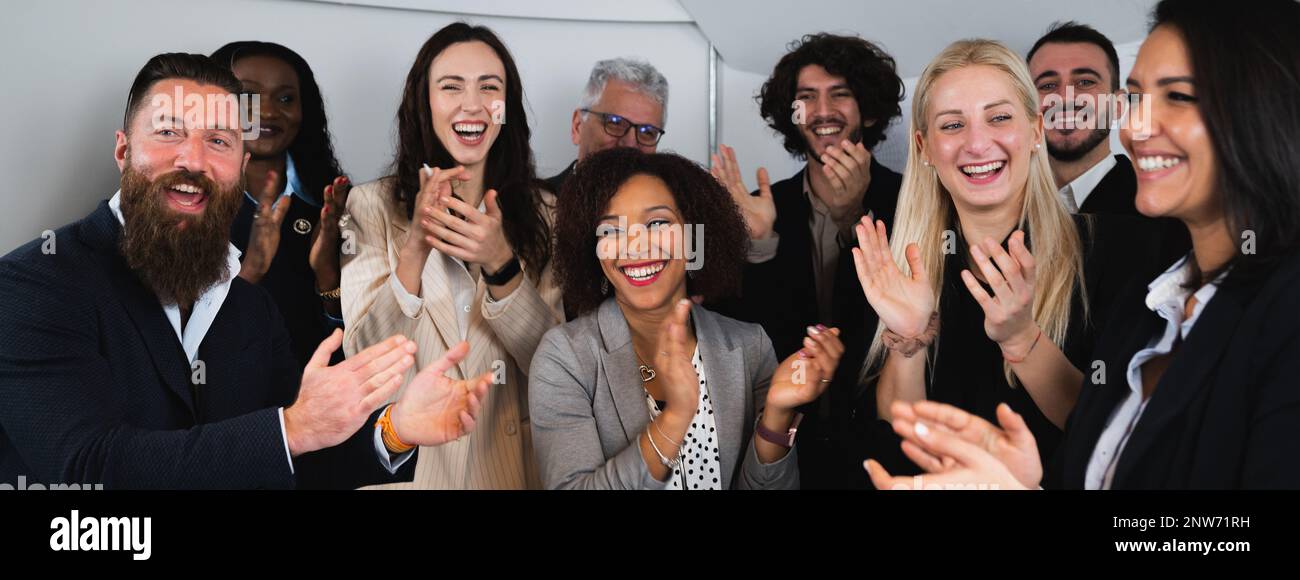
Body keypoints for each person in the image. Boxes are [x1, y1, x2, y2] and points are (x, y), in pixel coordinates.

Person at [0, 53, 492, 489]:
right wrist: (292, 428)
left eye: (218, 140)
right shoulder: (33, 284)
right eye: (169, 132)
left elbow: (303, 455)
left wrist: (395, 428)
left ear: (241, 164)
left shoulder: (249, 305)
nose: (192, 160)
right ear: (124, 150)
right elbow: (89, 468)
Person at [866, 0, 1300, 490]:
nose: (1133, 129)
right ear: (923, 147)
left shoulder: (1148, 261)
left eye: (1177, 96)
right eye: (1136, 100)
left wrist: (1020, 340)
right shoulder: (1161, 299)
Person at [851, 38, 1181, 479]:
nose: (977, 143)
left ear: (1035, 132)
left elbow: (1113, 436)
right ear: (924, 147)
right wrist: (909, 342)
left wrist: (1021, 339)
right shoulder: (901, 269)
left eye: (999, 118)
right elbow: (903, 440)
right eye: (952, 125)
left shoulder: (1124, 248)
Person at [531, 148, 844, 489]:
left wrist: (776, 416)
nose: (636, 246)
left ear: (695, 237)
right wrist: (675, 418)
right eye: (612, 231)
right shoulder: (564, 357)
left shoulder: (749, 346)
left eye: (657, 223)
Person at [342, 22, 562, 489]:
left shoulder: (546, 213)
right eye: (451, 87)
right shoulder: (368, 205)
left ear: (508, 106)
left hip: (509, 471)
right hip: (414, 473)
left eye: (490, 87)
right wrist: (416, 246)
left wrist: (502, 266)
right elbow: (363, 354)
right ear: (424, 102)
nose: (472, 104)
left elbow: (556, 368)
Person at [708, 33, 905, 488]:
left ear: (869, 110)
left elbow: (900, 330)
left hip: (884, 454)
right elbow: (735, 339)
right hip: (784, 452)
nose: (821, 111)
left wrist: (853, 219)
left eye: (840, 95)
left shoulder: (913, 202)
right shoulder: (765, 208)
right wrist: (759, 246)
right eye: (806, 98)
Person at [211, 41, 351, 369]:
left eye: (286, 98)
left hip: (318, 403)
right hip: (225, 411)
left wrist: (328, 279)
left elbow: (356, 349)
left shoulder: (337, 203)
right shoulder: (187, 202)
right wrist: (251, 272)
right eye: (248, 97)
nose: (269, 112)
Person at [1027, 21, 1138, 215]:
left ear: (1118, 105)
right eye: (1047, 85)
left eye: (1085, 82)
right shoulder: (997, 207)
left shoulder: (1168, 215)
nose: (1064, 98)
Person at [543, 57, 668, 195]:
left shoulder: (671, 211)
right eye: (615, 123)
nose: (630, 144)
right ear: (577, 127)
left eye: (647, 132)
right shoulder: (530, 207)